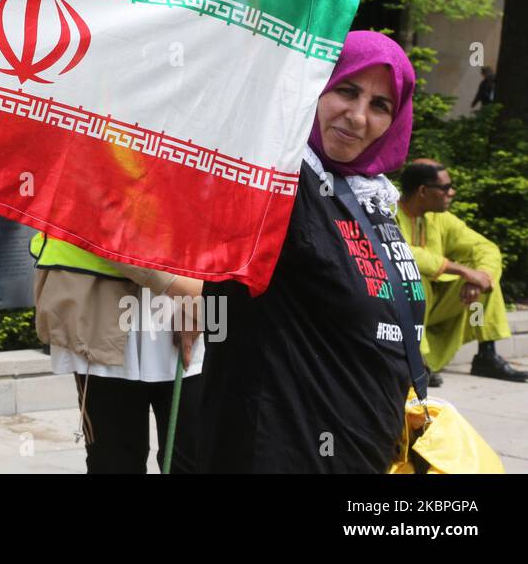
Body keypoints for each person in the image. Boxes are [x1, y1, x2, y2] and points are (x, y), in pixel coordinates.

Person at [197, 31, 426, 473]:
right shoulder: (282, 182)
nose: (358, 117)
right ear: (313, 85)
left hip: (365, 449)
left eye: (380, 105)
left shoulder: (372, 196)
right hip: (280, 451)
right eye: (346, 89)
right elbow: (241, 101)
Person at [31, 234, 205, 473]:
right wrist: (190, 291)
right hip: (101, 314)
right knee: (114, 462)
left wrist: (204, 302)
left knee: (199, 459)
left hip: (191, 311)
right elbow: (101, 218)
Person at [397, 159, 526, 384]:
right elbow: (403, 252)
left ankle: (486, 354)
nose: (452, 192)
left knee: (485, 281)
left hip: (437, 304)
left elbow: (485, 248)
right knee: (413, 279)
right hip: (402, 306)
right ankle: (416, 362)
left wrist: (478, 277)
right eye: (445, 188)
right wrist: (459, 270)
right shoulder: (388, 211)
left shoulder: (439, 218)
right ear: (423, 191)